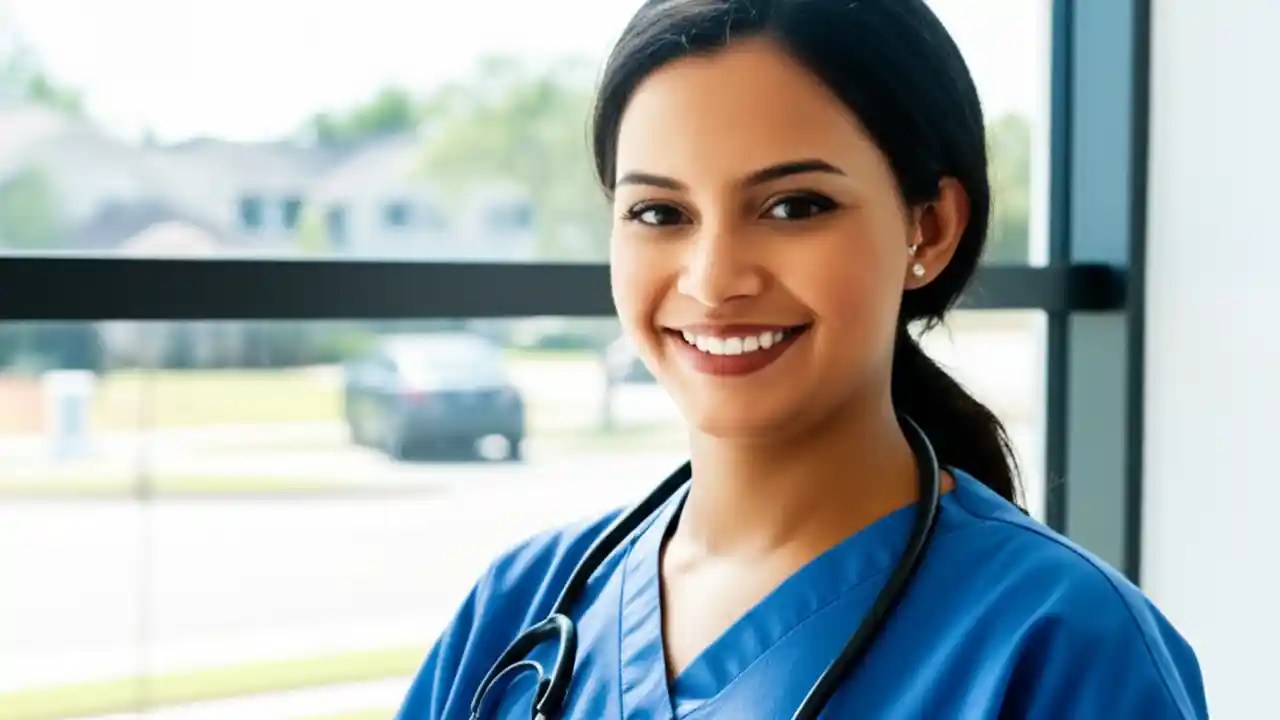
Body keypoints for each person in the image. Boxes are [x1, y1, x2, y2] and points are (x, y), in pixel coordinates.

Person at [395, 0, 1208, 717]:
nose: (713, 279)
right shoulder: (516, 610)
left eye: (792, 206)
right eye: (658, 211)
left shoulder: (1064, 645)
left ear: (927, 228)